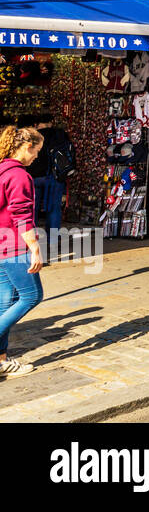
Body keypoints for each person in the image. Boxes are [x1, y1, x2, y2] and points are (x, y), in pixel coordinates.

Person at [0, 126, 45, 377]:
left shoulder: (1, 170)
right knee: (32, 296)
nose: (37, 157)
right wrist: (35, 249)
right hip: (14, 246)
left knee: (4, 303)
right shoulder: (19, 175)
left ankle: (1, 361)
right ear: (27, 147)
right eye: (37, 151)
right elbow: (22, 216)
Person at [30, 113, 70, 236]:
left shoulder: (32, 135)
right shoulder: (59, 134)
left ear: (37, 124)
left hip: (33, 176)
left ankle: (31, 238)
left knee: (32, 209)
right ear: (51, 122)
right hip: (54, 176)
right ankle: (52, 239)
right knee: (53, 209)